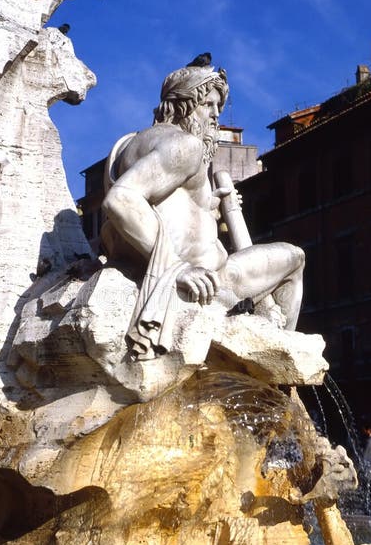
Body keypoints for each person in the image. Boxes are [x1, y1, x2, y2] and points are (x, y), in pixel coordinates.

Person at [101, 59, 305, 360]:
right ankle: (278, 373)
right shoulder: (185, 146)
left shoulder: (134, 143)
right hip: (213, 283)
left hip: (192, 271)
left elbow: (166, 205)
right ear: (182, 105)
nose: (215, 117)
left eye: (218, 108)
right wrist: (177, 268)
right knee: (295, 258)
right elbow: (121, 200)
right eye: (208, 105)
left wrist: (210, 204)